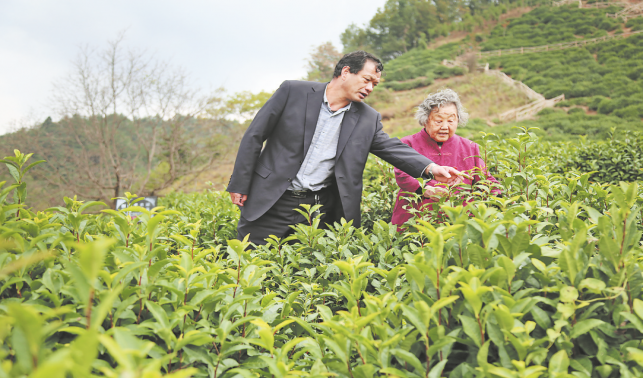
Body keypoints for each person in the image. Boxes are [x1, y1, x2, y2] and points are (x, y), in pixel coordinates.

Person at [227, 51, 465, 245]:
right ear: (346, 72)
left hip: (317, 210)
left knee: (302, 280)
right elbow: (255, 135)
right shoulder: (293, 92)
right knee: (251, 269)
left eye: (375, 84)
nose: (370, 88)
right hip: (271, 200)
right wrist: (240, 183)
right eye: (367, 80)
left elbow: (392, 148)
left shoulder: (367, 118)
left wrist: (431, 168)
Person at [391, 89, 500, 229]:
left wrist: (502, 198)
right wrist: (427, 190)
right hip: (415, 221)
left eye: (450, 120)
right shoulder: (408, 144)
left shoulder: (470, 147)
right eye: (438, 121)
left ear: (458, 120)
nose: (445, 127)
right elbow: (403, 176)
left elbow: (485, 180)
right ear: (425, 121)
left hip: (459, 222)